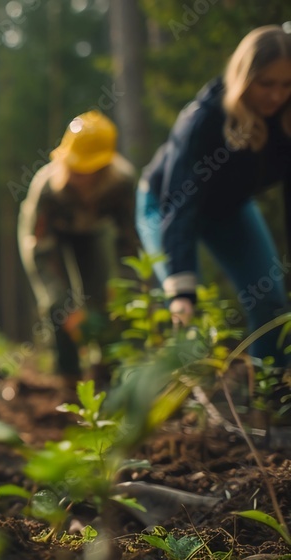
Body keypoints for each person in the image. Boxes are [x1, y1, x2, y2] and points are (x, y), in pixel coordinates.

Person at [135, 24, 291, 421]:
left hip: (229, 210)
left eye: (286, 84)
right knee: (180, 303)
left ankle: (270, 408)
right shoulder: (204, 120)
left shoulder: (285, 120)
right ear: (243, 77)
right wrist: (181, 290)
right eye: (265, 84)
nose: (276, 95)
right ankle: (168, 410)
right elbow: (181, 204)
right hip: (166, 205)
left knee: (270, 301)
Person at [18, 111, 140, 384]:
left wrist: (123, 285)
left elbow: (130, 241)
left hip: (91, 235)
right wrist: (64, 306)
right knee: (59, 308)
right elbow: (38, 250)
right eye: (74, 168)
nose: (79, 177)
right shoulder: (46, 189)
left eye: (88, 171)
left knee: (103, 300)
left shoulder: (122, 183)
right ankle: (68, 376)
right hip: (50, 241)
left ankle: (108, 371)